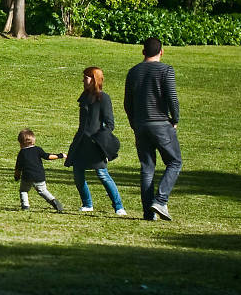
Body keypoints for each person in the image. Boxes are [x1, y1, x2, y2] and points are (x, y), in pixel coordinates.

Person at [124, 37, 182, 221]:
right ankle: (161, 200)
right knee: (174, 162)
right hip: (160, 123)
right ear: (162, 52)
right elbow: (172, 97)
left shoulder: (133, 72)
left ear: (143, 52)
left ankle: (148, 213)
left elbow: (127, 103)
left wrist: (134, 123)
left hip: (141, 124)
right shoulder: (166, 70)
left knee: (147, 168)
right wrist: (175, 118)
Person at [65, 67, 127, 215]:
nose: (83, 80)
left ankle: (119, 207)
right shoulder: (84, 97)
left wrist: (99, 139)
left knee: (102, 174)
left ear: (94, 79)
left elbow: (110, 124)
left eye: (86, 77)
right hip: (81, 142)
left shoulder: (104, 98)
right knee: (78, 174)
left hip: (95, 144)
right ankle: (87, 204)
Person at [14, 129, 65, 212]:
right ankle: (53, 201)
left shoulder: (21, 153)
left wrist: (17, 176)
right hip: (39, 175)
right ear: (33, 140)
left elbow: (18, 167)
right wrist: (60, 155)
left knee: (23, 190)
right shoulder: (38, 149)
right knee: (43, 191)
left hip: (27, 177)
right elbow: (48, 156)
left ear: (20, 143)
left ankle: (25, 206)